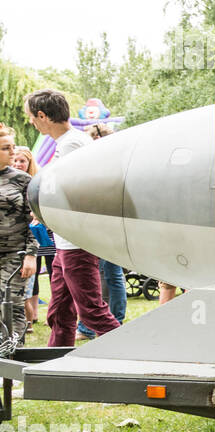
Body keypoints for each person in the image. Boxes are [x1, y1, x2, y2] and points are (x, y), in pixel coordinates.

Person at [23, 90, 121, 346]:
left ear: (42, 116)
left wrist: (40, 206)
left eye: (32, 117)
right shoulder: (68, 142)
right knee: (60, 310)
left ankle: (132, 356)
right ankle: (56, 360)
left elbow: (71, 191)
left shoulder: (71, 144)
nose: (31, 122)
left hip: (77, 243)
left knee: (91, 310)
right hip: (66, 242)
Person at [76, 122, 127, 337]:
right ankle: (107, 322)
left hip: (106, 227)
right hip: (105, 226)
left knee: (107, 274)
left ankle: (101, 324)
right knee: (107, 274)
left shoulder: (110, 167)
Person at [0, 132, 38, 346]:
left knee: (12, 303)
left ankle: (14, 356)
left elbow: (34, 221)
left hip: (15, 254)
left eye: (12, 146)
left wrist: (31, 255)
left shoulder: (22, 180)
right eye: (6, 148)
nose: (13, 152)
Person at [11, 146, 51, 325]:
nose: (18, 164)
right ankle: (33, 313)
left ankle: (48, 310)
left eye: (22, 161)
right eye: (16, 160)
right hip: (22, 236)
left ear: (29, 163)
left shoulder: (35, 182)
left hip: (42, 233)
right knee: (30, 277)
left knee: (51, 271)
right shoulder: (9, 181)